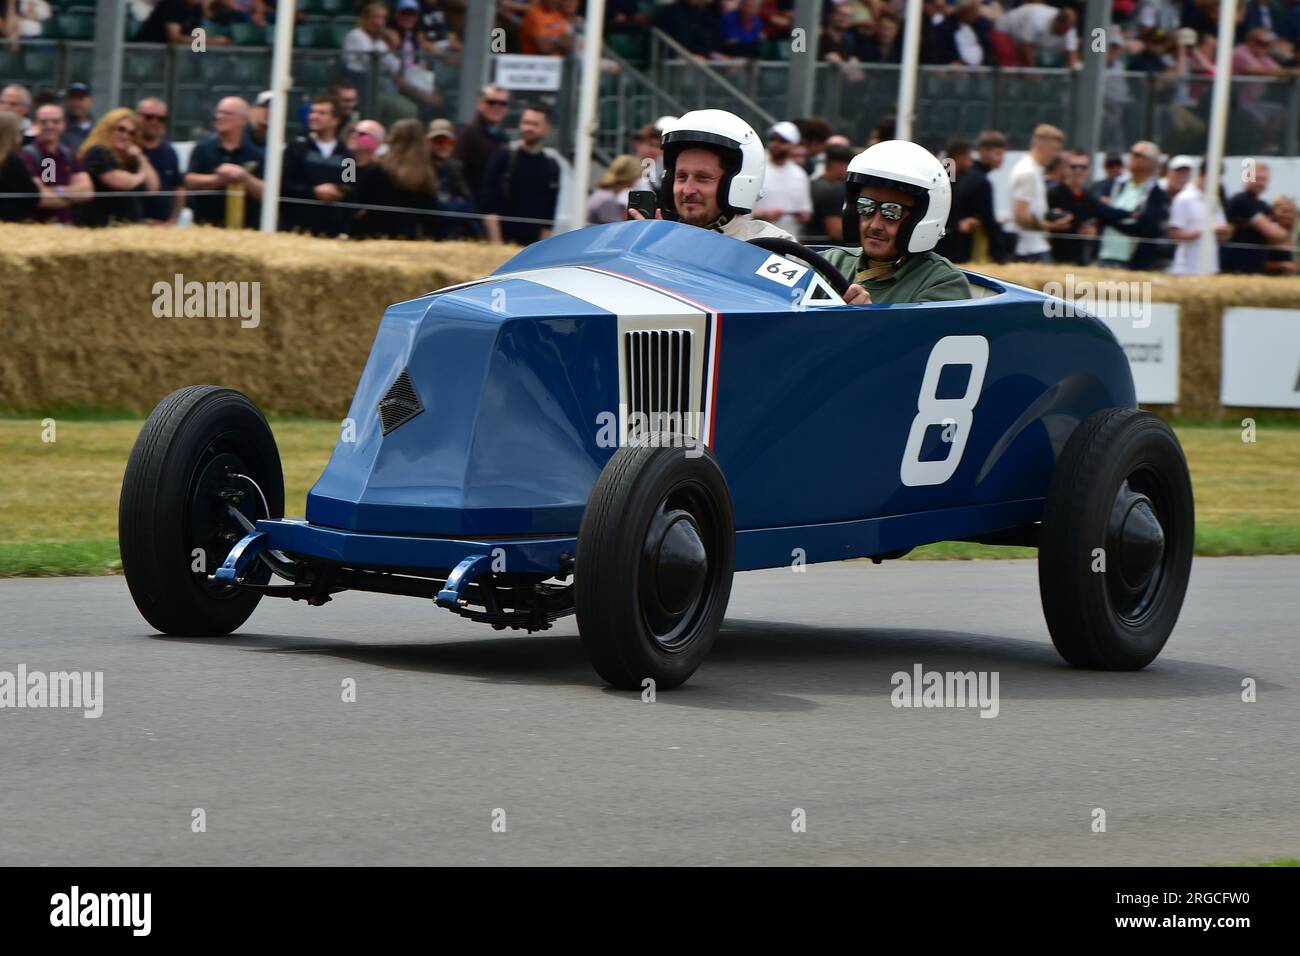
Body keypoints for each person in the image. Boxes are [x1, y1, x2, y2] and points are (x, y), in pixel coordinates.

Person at [822, 140, 971, 305]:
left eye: (892, 212)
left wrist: (866, 318)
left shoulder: (944, 283)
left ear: (921, 218)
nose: (875, 225)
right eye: (866, 206)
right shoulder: (831, 262)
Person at [628, 108, 795, 241]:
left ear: (736, 184)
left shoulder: (772, 247)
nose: (688, 190)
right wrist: (649, 249)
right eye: (681, 177)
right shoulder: (654, 239)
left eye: (702, 178)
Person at [481, 103, 561, 245]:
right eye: (525, 123)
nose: (528, 128)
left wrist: (540, 251)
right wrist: (497, 245)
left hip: (532, 248)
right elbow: (489, 205)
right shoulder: (504, 156)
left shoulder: (551, 166)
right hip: (503, 242)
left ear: (547, 128)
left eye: (535, 124)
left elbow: (549, 216)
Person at [350, 117, 438, 239]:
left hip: (377, 236)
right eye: (353, 132)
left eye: (362, 134)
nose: (355, 136)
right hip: (403, 237)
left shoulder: (376, 169)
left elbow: (357, 200)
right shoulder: (427, 173)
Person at [280, 94, 354, 236]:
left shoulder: (347, 155)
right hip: (296, 230)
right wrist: (313, 191)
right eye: (313, 112)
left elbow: (350, 189)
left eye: (322, 113)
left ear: (335, 120)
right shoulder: (296, 148)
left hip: (331, 233)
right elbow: (283, 184)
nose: (314, 116)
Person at [184, 96, 264, 228]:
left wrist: (244, 177)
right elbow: (189, 181)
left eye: (226, 113)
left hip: (247, 231)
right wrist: (219, 179)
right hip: (206, 228)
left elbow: (267, 192)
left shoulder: (256, 154)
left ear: (243, 120)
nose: (219, 117)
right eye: (218, 112)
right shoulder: (202, 149)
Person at [76, 108, 160, 227]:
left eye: (131, 133)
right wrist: (141, 175)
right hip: (100, 228)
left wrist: (140, 158)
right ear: (107, 129)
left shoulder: (131, 158)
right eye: (121, 129)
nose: (125, 136)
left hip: (128, 229)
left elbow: (153, 188)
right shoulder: (98, 151)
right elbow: (118, 181)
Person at [1096, 140, 1169, 270]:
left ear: (1150, 162)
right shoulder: (1115, 185)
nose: (1131, 157)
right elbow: (1098, 210)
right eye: (1132, 153)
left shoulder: (1156, 194)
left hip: (1133, 262)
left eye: (1137, 155)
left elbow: (1143, 226)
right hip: (1105, 255)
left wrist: (1110, 216)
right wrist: (1127, 215)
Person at [1047, 148, 1127, 265]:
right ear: (1065, 168)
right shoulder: (1053, 194)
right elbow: (1041, 222)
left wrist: (1093, 231)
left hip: (1081, 262)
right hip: (1055, 261)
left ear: (1088, 170)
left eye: (1083, 167)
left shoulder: (1088, 197)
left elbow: (1109, 213)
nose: (1078, 171)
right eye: (1073, 167)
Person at [1008, 123, 1073, 263]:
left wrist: (1049, 217)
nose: (1057, 155)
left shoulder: (1033, 170)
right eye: (1055, 149)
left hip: (1034, 247)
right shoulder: (1028, 172)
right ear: (1041, 145)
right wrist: (1053, 226)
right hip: (1031, 250)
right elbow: (1021, 216)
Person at [21, 103, 93, 224]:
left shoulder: (68, 154)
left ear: (63, 125)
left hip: (67, 228)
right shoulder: (27, 156)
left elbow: (87, 191)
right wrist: (73, 196)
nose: (50, 126)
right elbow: (42, 198)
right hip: (36, 230)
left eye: (55, 122)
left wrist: (58, 191)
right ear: (36, 125)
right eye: (44, 122)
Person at [1221, 161, 1289, 274]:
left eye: (1264, 180)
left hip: (1255, 268)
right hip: (1236, 268)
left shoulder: (1263, 205)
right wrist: (1282, 233)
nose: (1261, 183)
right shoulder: (1241, 201)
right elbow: (1272, 233)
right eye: (1257, 178)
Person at [1167, 160, 1232, 275]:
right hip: (1186, 269)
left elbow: (1223, 234)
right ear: (1202, 174)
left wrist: (1225, 231)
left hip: (1211, 268)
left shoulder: (1214, 200)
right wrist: (1208, 230)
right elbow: (1175, 235)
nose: (1216, 182)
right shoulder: (1183, 198)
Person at [753, 120, 812, 238]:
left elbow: (806, 213)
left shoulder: (799, 174)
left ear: (793, 145)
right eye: (773, 139)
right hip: (755, 240)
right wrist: (764, 215)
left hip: (787, 243)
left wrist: (802, 216)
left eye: (783, 141)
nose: (776, 144)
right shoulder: (755, 166)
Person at [455, 85, 510, 207]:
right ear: (480, 104)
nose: (497, 107)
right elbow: (455, 171)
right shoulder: (467, 133)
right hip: (474, 211)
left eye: (502, 103)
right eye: (491, 102)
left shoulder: (504, 138)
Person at [427, 117, 478, 239]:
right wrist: (456, 205)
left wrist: (448, 208)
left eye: (449, 141)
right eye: (439, 140)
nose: (444, 145)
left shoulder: (456, 169)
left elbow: (470, 207)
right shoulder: (422, 170)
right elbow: (431, 209)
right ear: (428, 142)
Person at [135, 97, 183, 224]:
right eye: (149, 117)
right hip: (133, 226)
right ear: (137, 117)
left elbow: (178, 188)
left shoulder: (169, 151)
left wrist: (173, 220)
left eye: (161, 119)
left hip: (164, 228)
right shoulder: (129, 150)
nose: (154, 122)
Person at [809, 142, 855, 242]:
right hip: (825, 249)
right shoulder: (832, 189)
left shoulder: (814, 183)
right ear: (835, 164)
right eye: (847, 164)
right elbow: (835, 231)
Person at [0, 110, 39, 222]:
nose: (22, 137)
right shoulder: (12, 162)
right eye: (19, 132)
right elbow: (33, 197)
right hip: (11, 226)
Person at [586, 154, 642, 225]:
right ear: (630, 176)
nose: (638, 179)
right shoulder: (607, 199)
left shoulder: (604, 194)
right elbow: (616, 230)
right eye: (637, 175)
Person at [1265, 196, 1299, 275]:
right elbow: (1256, 262)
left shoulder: (1296, 236)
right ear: (1273, 211)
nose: (1287, 215)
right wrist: (1282, 265)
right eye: (1284, 211)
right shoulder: (1266, 234)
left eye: (1291, 212)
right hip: (1267, 281)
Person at [60, 82, 93, 153]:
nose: (76, 103)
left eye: (80, 98)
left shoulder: (98, 129)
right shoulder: (60, 128)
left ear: (91, 101)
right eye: (73, 98)